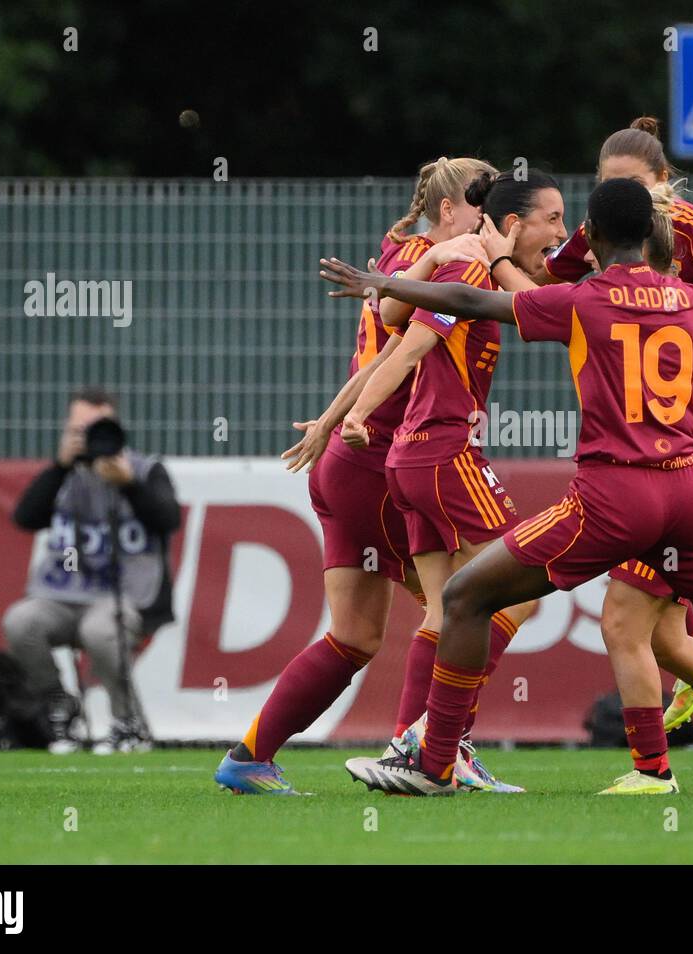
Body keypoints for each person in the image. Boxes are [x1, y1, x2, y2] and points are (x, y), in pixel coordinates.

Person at [326, 178, 693, 797]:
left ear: (596, 237)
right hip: (692, 494)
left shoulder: (583, 299)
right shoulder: (692, 300)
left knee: (469, 597)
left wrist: (384, 284)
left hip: (614, 499)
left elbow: (466, 302)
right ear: (652, 238)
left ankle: (435, 763)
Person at [214, 157, 495, 794]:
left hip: (351, 463)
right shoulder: (441, 261)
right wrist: (346, 417)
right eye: (481, 205)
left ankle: (249, 758)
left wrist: (328, 420)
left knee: (356, 636)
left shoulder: (402, 254)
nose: (488, 220)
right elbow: (395, 356)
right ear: (449, 210)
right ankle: (423, 755)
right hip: (380, 461)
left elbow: (379, 349)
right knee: (473, 605)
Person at [4, 387, 180, 754]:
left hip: (122, 595)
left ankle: (125, 721)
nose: (89, 438)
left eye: (97, 428)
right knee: (19, 622)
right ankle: (58, 704)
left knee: (99, 630)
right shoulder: (63, 475)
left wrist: (128, 484)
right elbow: (25, 518)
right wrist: (60, 465)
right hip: (61, 594)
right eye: (78, 430)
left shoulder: (144, 469)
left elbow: (168, 519)